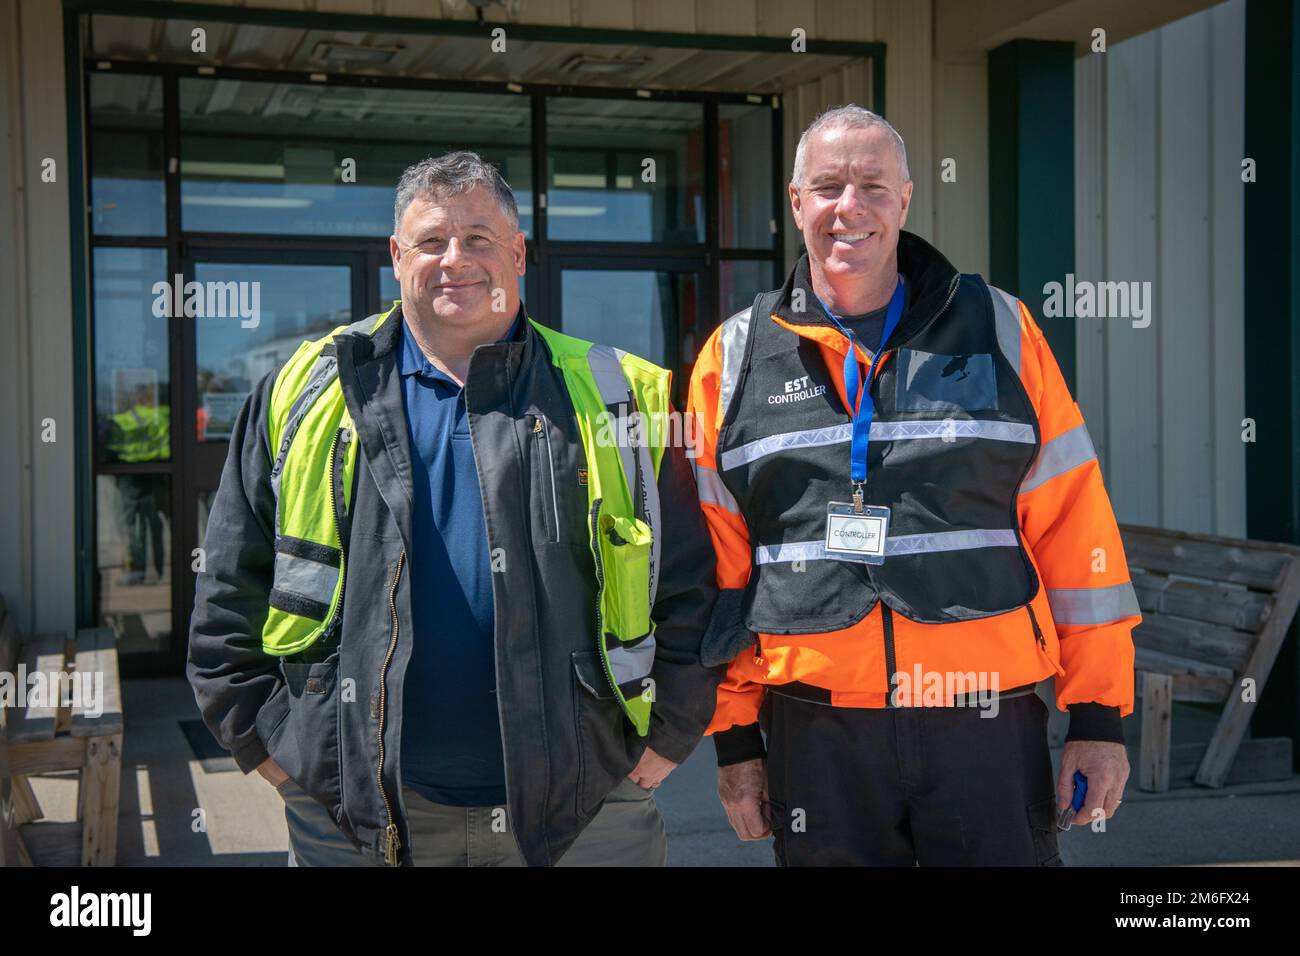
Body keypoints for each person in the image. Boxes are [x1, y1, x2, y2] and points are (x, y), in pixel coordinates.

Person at [189, 151, 721, 866]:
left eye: (478, 238)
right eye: (431, 241)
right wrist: (269, 749)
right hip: (355, 809)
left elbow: (691, 586)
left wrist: (666, 739)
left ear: (518, 253)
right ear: (396, 256)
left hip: (588, 808)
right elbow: (229, 582)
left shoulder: (618, 394)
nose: (454, 260)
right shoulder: (310, 389)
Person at [688, 106, 1139, 866]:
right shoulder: (735, 355)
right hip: (816, 730)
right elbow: (721, 566)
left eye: (873, 185)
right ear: (796, 202)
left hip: (984, 718)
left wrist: (1098, 716)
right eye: (827, 186)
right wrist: (735, 741)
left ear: (904, 199)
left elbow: (1074, 525)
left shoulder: (998, 328)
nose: (849, 207)